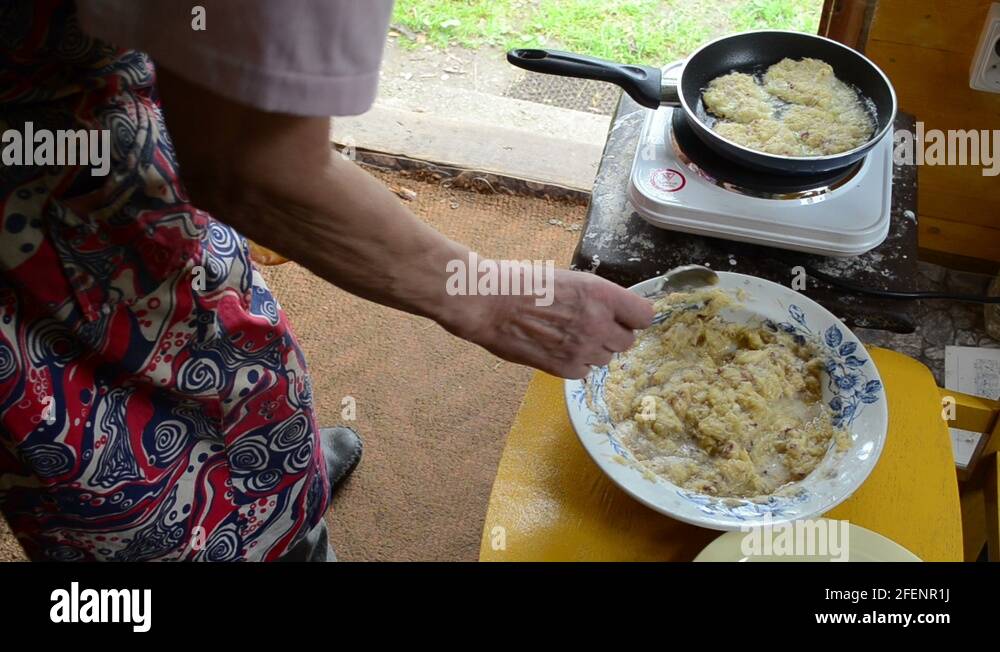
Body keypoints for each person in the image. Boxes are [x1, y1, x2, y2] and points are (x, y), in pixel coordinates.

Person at [0, 0, 653, 561]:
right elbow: (246, 165)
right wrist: (485, 296)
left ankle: (281, 489)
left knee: (240, 351)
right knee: (108, 462)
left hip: (86, 105)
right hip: (30, 173)